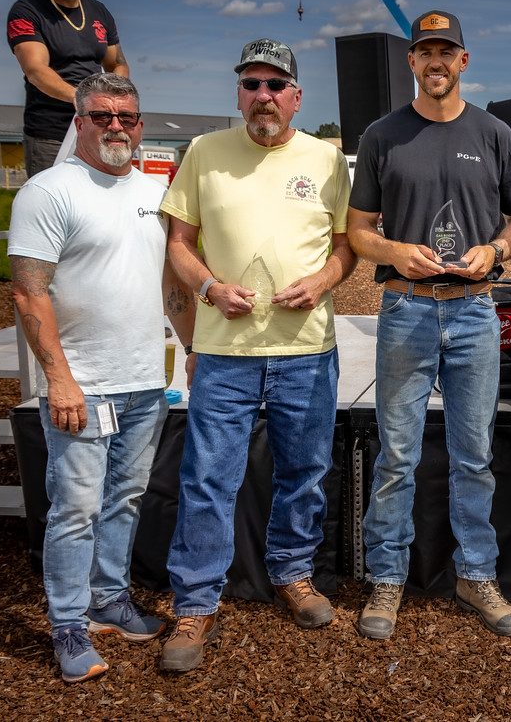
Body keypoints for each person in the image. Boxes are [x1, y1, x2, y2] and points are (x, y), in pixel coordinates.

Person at [159, 37, 355, 673]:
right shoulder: (204, 153)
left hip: (306, 349)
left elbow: (348, 247)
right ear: (238, 93)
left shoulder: (327, 160)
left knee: (304, 471)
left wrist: (323, 283)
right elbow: (179, 245)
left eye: (276, 85)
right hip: (225, 353)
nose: (263, 96)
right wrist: (210, 287)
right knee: (209, 479)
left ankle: (292, 574)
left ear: (297, 97)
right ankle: (195, 603)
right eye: (251, 84)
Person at [347, 9, 511, 640]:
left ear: (462, 61)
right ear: (411, 62)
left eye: (445, 52)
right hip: (406, 309)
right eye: (423, 52)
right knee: (397, 454)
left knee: (473, 454)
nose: (434, 62)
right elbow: (357, 232)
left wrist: (499, 252)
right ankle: (388, 577)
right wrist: (395, 251)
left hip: (477, 309)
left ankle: (476, 573)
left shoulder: (495, 134)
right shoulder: (382, 135)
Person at [7, 73, 193, 683]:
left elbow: (168, 285)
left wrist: (190, 347)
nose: (117, 126)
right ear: (80, 121)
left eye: (128, 117)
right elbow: (30, 295)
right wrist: (57, 380)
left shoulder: (152, 191)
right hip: (82, 386)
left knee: (125, 498)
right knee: (75, 510)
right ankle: (68, 625)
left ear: (141, 124)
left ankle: (109, 599)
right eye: (102, 116)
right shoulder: (48, 191)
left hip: (144, 383)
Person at [7, 0, 129, 176]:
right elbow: (35, 69)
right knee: (50, 200)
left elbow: (117, 64)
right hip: (52, 134)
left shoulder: (99, 11)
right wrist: (82, 98)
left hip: (97, 131)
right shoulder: (27, 9)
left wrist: (112, 99)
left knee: (100, 198)